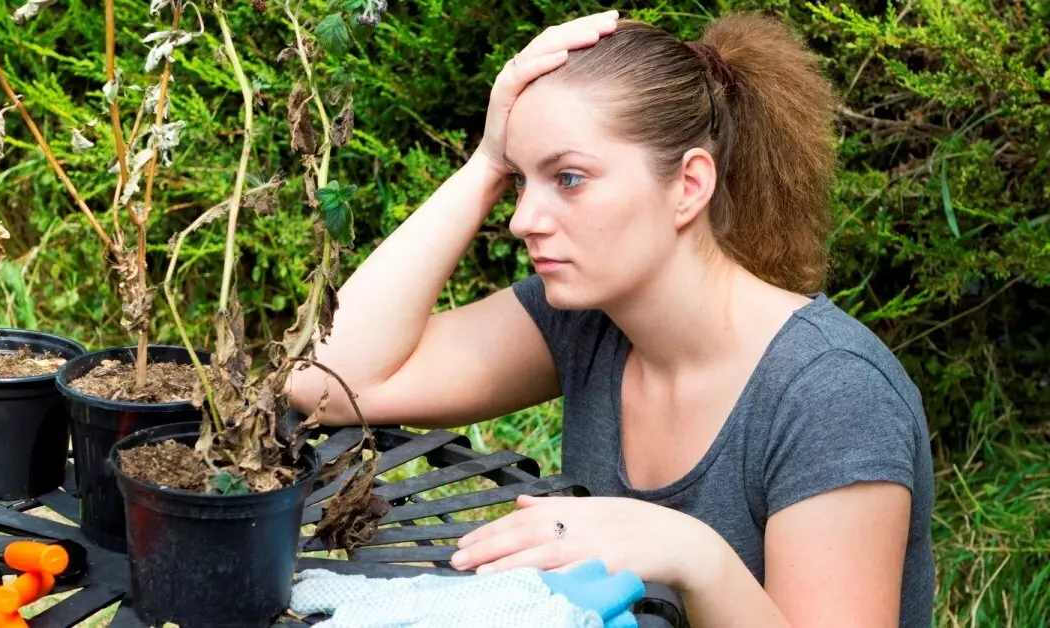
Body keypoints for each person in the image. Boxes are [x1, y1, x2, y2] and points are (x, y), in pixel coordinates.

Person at [288, 9, 935, 628]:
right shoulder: (590, 319)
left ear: (688, 186)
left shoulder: (830, 394)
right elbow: (325, 383)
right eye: (520, 182)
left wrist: (694, 555)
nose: (521, 220)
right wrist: (486, 161)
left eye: (568, 178)